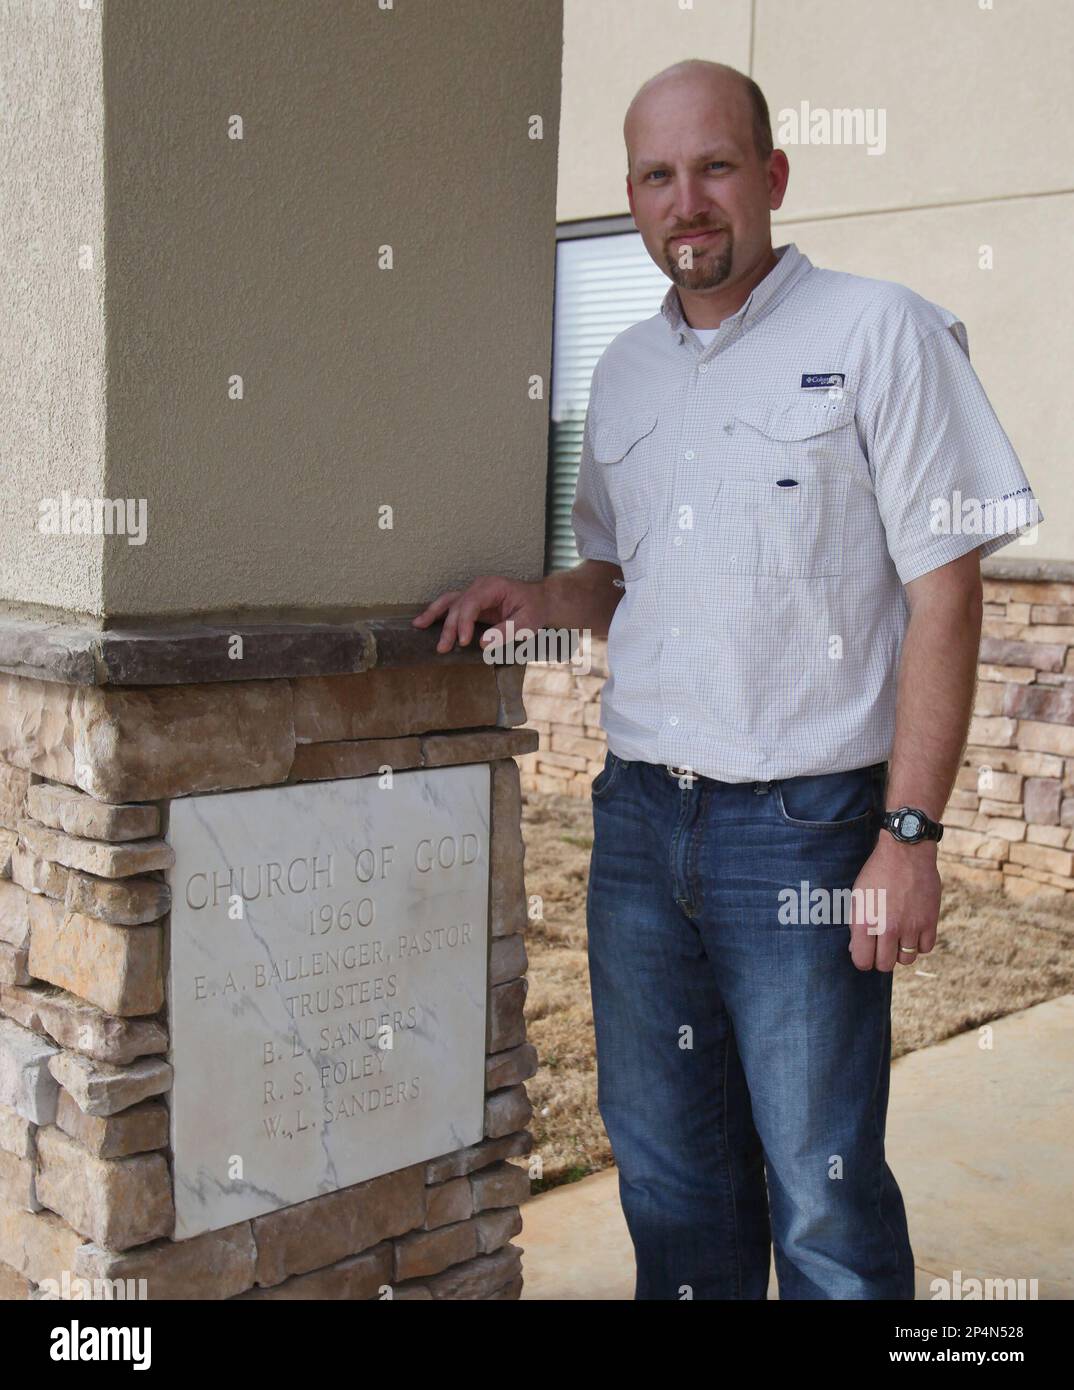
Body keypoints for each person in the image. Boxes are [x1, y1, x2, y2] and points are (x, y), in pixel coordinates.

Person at [412, 59, 1042, 1299]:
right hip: (644, 826)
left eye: (712, 167)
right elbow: (613, 574)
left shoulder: (882, 332)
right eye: (656, 176)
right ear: (634, 198)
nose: (684, 200)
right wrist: (539, 602)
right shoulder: (625, 373)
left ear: (772, 177)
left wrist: (908, 836)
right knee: (668, 1175)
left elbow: (945, 593)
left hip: (807, 831)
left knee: (822, 1192)